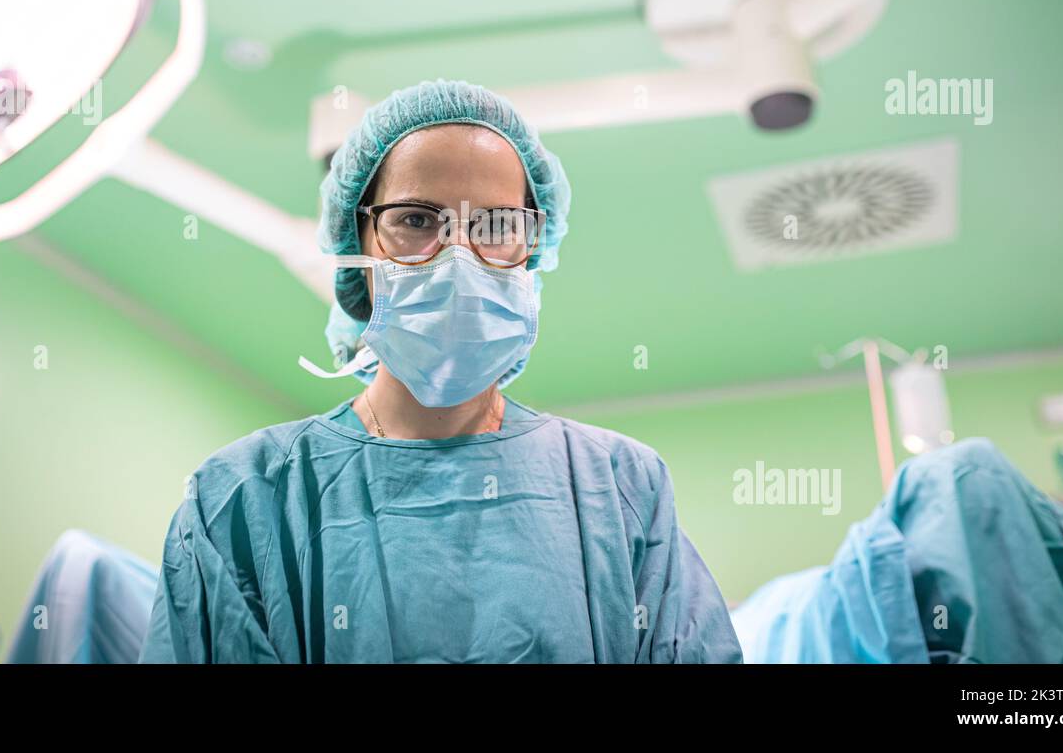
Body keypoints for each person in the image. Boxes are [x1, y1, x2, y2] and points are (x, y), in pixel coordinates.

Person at [139, 79, 741, 663]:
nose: (459, 258)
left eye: (497, 225)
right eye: (417, 221)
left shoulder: (618, 486)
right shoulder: (247, 496)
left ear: (533, 247)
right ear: (359, 243)